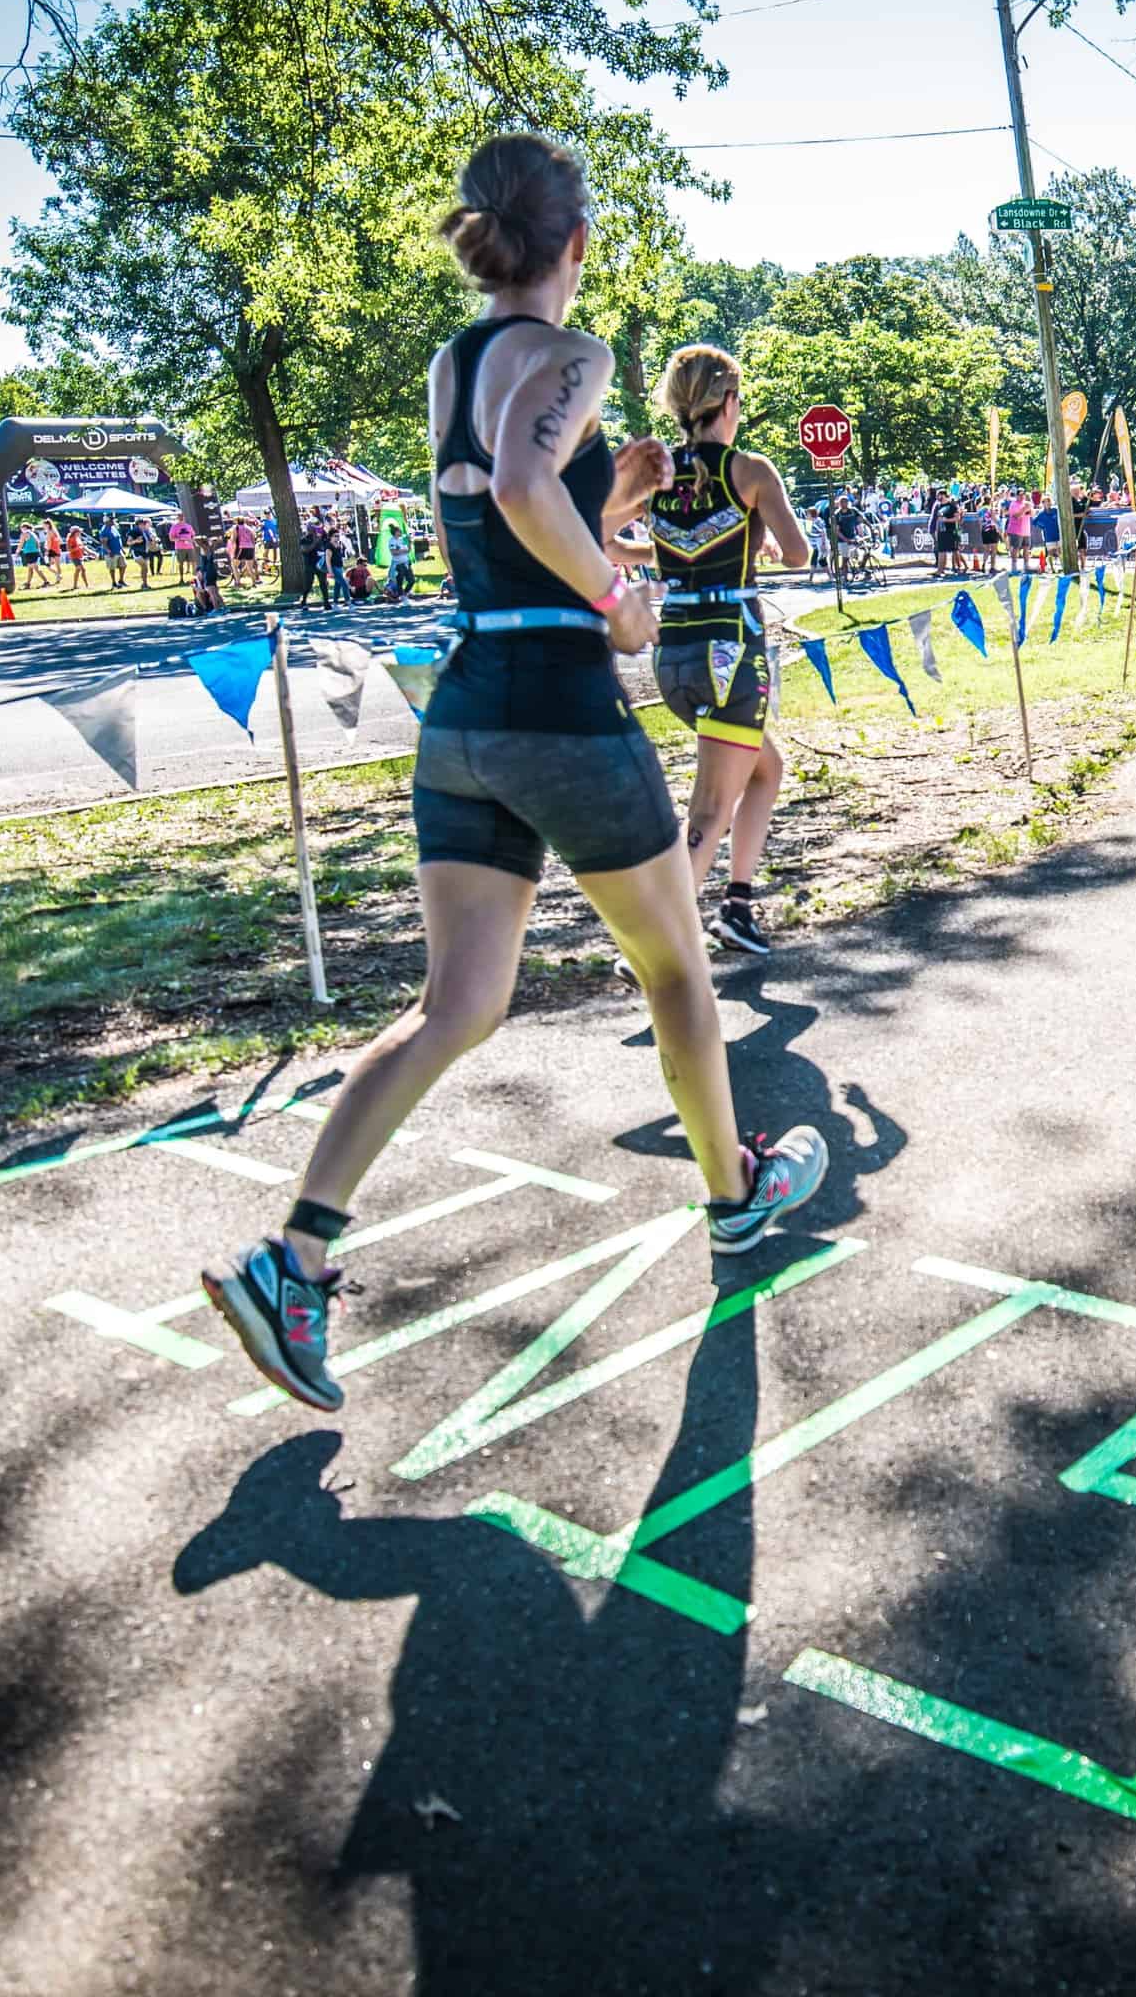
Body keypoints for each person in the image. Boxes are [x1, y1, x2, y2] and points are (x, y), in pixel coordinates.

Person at [202, 131, 831, 1415]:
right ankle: (734, 1195)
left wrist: (613, 508)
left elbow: (497, 516)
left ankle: (294, 1257)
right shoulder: (573, 353)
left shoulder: (453, 363)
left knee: (457, 1004)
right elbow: (526, 482)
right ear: (575, 243)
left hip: (464, 710)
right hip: (559, 706)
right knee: (676, 969)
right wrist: (616, 598)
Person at [647, 344, 812, 960]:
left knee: (765, 769)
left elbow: (609, 541)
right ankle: (656, 942)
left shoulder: (656, 473)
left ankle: (737, 906)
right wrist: (758, 534)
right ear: (730, 402)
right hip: (732, 655)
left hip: (673, 656)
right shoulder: (750, 470)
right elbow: (799, 555)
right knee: (711, 808)